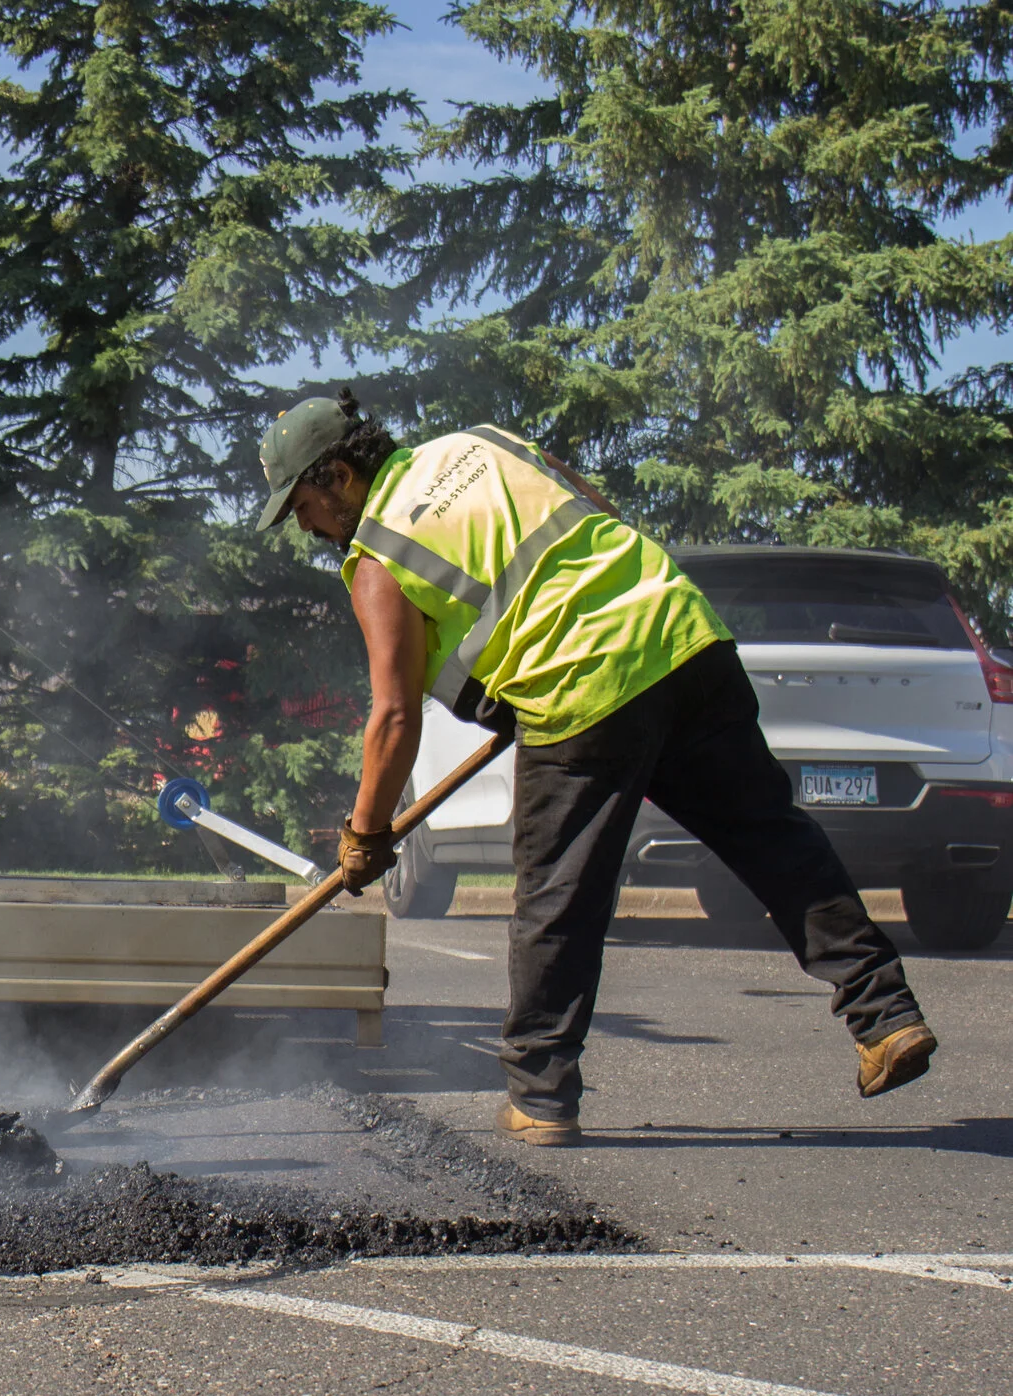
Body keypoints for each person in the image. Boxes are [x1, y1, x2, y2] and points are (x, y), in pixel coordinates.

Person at [254, 390, 936, 1144]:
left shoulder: (376, 554)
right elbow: (595, 510)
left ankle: (542, 1097)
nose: (307, 526)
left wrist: (364, 833)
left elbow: (392, 716)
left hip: (582, 690)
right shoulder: (485, 440)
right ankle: (885, 1016)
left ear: (342, 476)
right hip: (680, 634)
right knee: (771, 840)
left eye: (304, 506)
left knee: (556, 898)